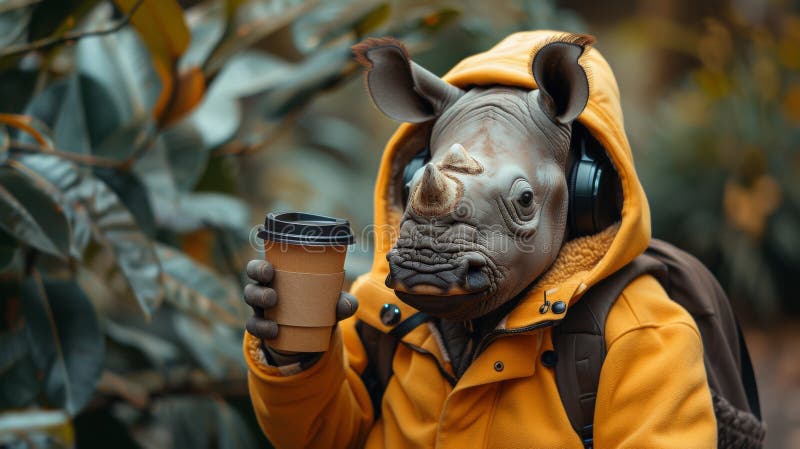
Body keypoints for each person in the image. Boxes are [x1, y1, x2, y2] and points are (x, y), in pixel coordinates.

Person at [242, 30, 717, 448]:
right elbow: (320, 436)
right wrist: (295, 357)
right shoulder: (381, 310)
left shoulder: (640, 336)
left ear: (582, 195)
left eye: (523, 201)